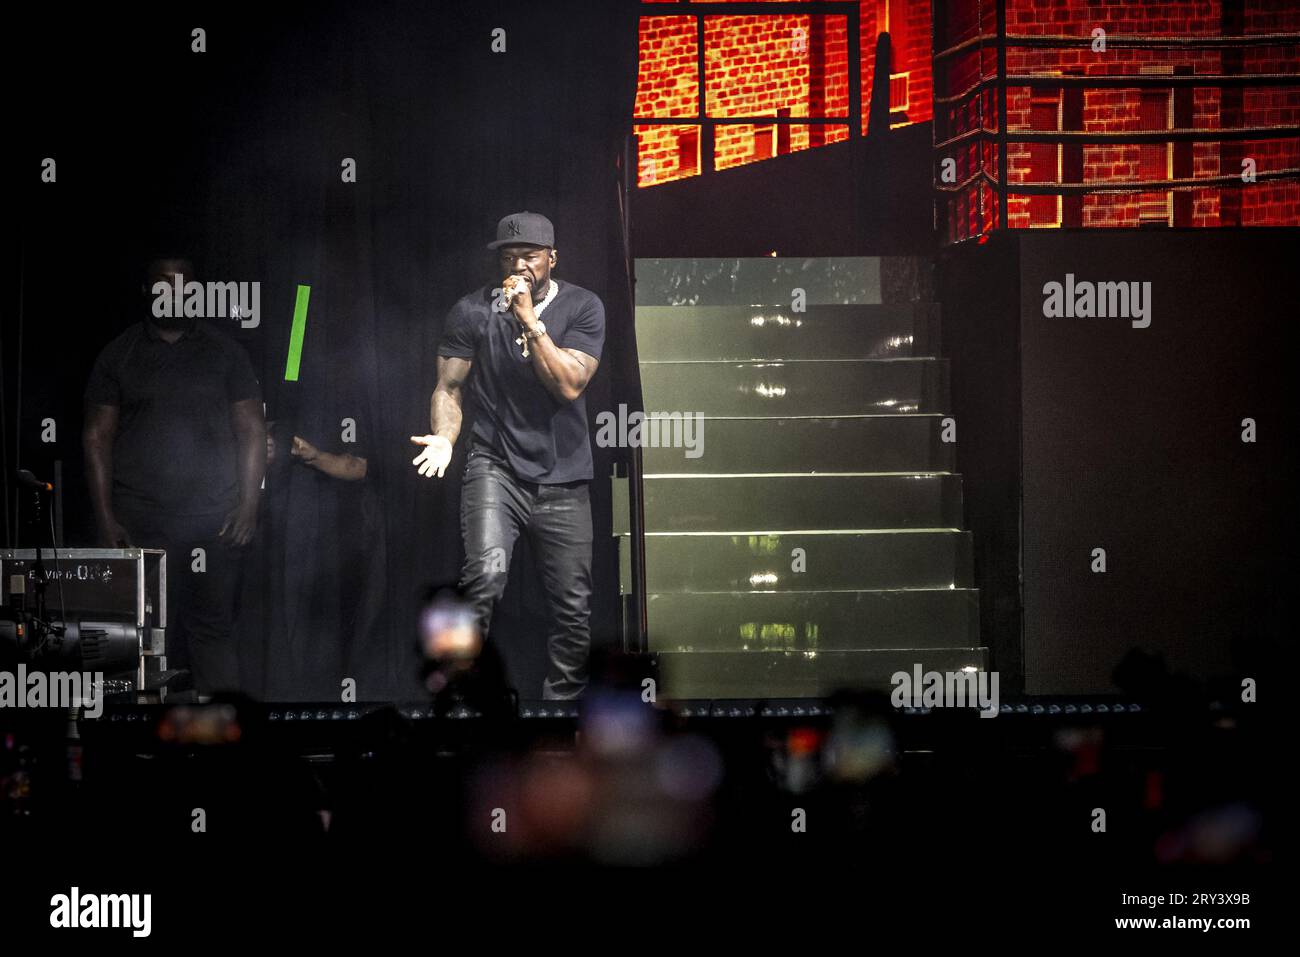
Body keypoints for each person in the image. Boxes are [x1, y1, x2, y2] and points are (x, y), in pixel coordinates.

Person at [411, 212, 605, 700]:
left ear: (551, 259)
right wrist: (445, 438)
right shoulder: (471, 312)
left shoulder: (584, 307)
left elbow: (568, 384)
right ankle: (457, 703)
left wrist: (530, 322)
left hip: (564, 478)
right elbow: (449, 388)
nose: (518, 265)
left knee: (573, 608)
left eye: (529, 256)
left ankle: (560, 717)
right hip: (494, 466)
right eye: (508, 256)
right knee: (485, 578)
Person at [83, 256, 265, 695]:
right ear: (148, 293)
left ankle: (223, 745)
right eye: (164, 286)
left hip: (212, 523)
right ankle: (143, 751)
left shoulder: (224, 352)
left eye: (185, 287)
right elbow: (96, 438)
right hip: (141, 523)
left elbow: (252, 430)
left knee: (213, 633)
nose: (175, 295)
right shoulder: (119, 354)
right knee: (139, 639)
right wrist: (105, 519)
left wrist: (248, 504)